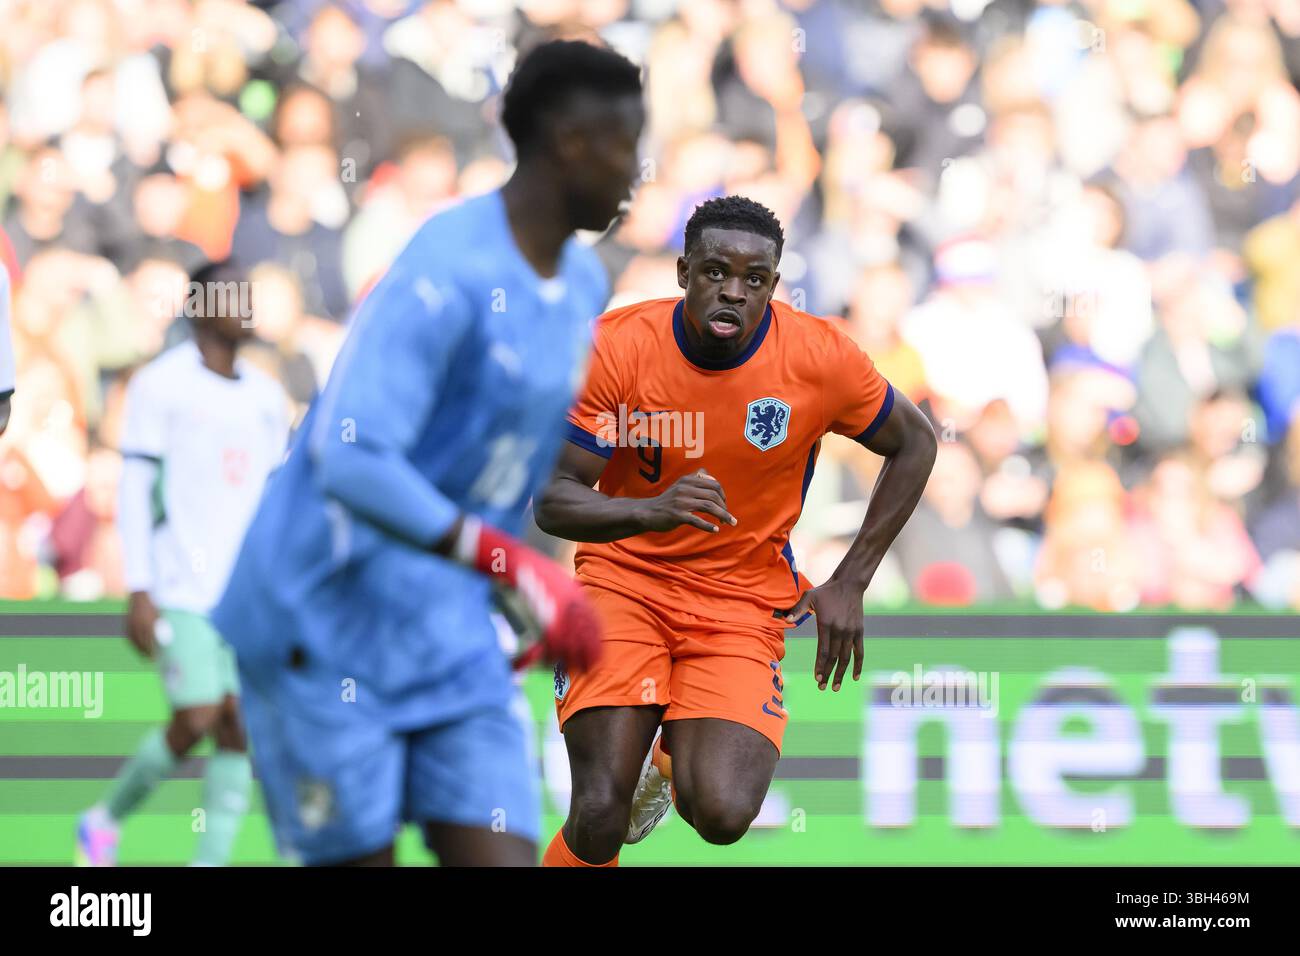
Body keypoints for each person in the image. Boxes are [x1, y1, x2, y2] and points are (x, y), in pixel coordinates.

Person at [210, 40, 645, 867]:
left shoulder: (583, 287)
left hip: (444, 627)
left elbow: (502, 465)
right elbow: (353, 458)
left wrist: (527, 580)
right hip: (322, 619)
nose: (637, 170)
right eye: (624, 144)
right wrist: (511, 567)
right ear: (567, 142)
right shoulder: (443, 271)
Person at [533, 195, 937, 866]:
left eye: (755, 280)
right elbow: (554, 498)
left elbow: (916, 442)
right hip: (623, 583)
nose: (734, 291)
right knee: (601, 810)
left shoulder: (819, 357)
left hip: (741, 601)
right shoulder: (617, 347)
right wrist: (651, 509)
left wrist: (852, 580)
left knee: (721, 812)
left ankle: (664, 761)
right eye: (716, 271)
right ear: (684, 270)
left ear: (774, 287)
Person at [76, 261, 290, 866]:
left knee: (237, 727)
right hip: (180, 588)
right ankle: (101, 821)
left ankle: (208, 862)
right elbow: (134, 488)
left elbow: (274, 503)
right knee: (198, 713)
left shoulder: (267, 397)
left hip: (244, 598)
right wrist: (139, 585)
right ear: (200, 305)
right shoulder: (160, 386)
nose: (247, 303)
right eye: (234, 293)